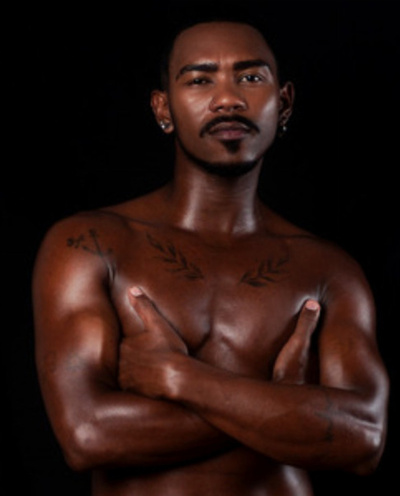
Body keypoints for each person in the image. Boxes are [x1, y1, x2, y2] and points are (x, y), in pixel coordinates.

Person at [32, 20, 389, 496]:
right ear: (163, 108)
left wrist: (183, 379)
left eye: (251, 77)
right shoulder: (91, 244)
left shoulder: (328, 269)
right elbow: (88, 435)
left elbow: (363, 439)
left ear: (283, 103)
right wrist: (287, 405)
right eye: (200, 80)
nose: (228, 99)